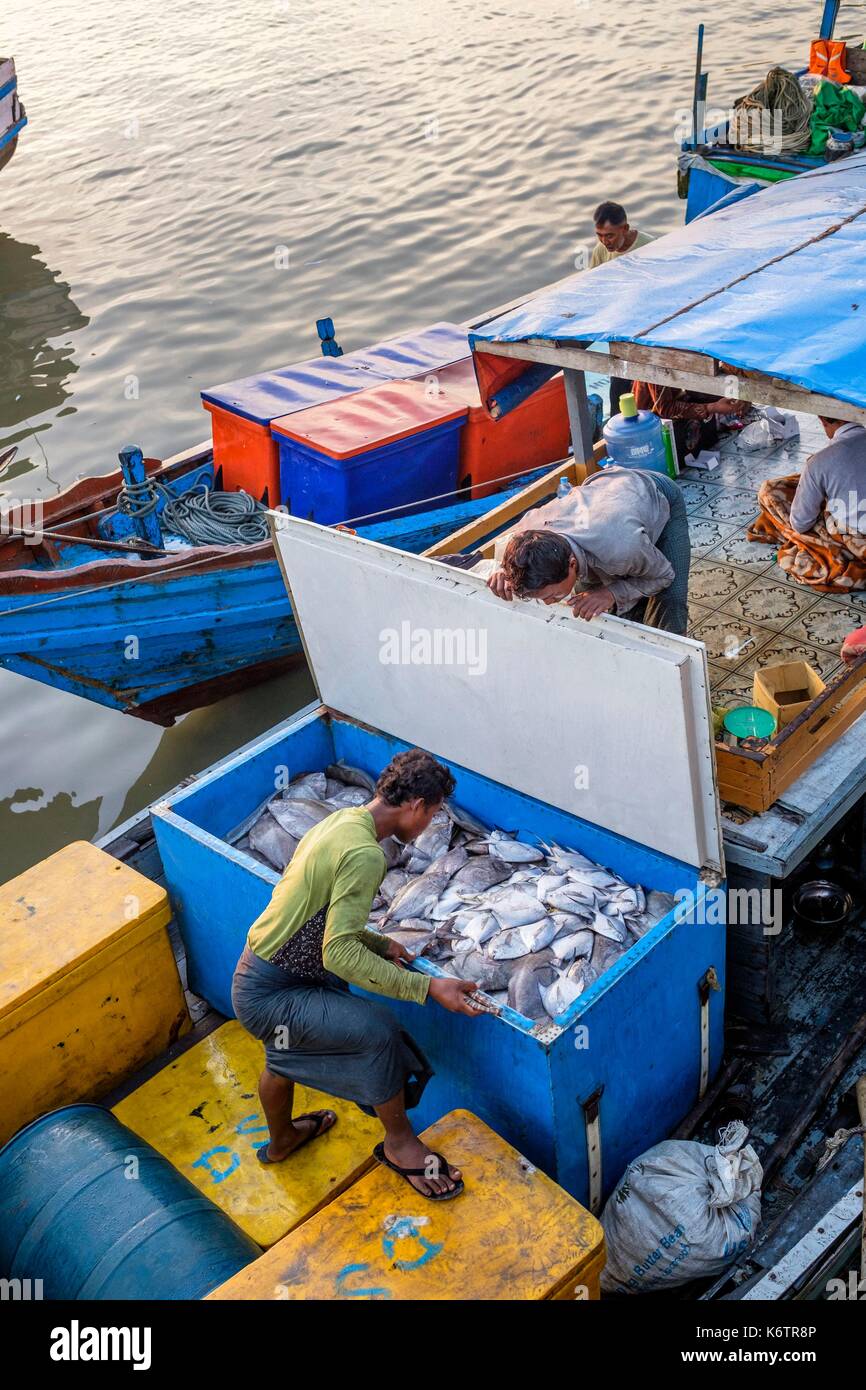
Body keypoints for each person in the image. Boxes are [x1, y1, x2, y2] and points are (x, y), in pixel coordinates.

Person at [231, 748, 483, 1200]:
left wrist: (379, 942)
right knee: (378, 1030)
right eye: (434, 814)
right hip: (274, 993)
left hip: (256, 973)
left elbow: (318, 912)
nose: (428, 827)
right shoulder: (367, 855)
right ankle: (400, 1143)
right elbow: (339, 954)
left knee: (283, 1050)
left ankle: (283, 1140)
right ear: (417, 806)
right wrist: (427, 987)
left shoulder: (343, 821)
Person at [486, 464, 690, 634]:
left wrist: (611, 593)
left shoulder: (622, 547)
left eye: (555, 596)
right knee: (599, 610)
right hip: (605, 495)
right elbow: (515, 564)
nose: (549, 603)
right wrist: (505, 573)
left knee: (670, 600)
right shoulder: (526, 533)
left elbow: (663, 575)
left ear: (572, 564)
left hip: (655, 493)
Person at [588, 201, 656, 418]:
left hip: (648, 328)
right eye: (599, 235)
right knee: (619, 387)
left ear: (624, 229)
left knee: (649, 388)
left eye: (609, 235)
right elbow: (593, 287)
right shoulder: (601, 252)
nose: (604, 241)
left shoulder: (651, 247)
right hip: (618, 329)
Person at [788, 415, 866, 535]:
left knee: (768, 492)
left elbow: (800, 524)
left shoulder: (818, 462)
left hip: (856, 533)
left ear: (822, 420)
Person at [632, 380, 744, 461]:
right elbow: (665, 408)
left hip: (678, 402)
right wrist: (712, 407)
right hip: (653, 421)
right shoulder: (658, 360)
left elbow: (693, 385)